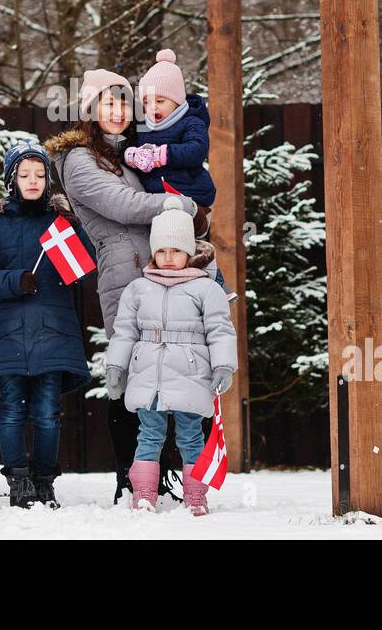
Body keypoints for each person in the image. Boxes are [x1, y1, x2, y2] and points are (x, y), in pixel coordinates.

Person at [45, 70, 205, 503]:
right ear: (91, 111)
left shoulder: (129, 151)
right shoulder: (78, 158)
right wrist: (179, 205)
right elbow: (121, 204)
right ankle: (128, 478)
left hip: (159, 263)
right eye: (107, 104)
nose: (117, 112)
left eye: (122, 103)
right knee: (134, 373)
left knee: (173, 368)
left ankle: (162, 474)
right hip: (124, 265)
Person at [0, 140, 92, 508]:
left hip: (54, 331)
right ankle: (17, 478)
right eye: (24, 174)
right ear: (11, 180)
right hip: (7, 334)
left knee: (48, 413)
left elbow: (84, 267)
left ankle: (44, 479)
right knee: (12, 411)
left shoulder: (61, 223)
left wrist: (72, 228)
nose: (32, 180)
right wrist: (13, 280)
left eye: (39, 174)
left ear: (48, 180)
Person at [105, 198, 238, 516]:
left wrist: (223, 365)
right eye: (161, 251)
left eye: (176, 251)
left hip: (191, 376)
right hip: (149, 375)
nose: (168, 258)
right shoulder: (138, 289)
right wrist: (115, 366)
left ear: (189, 253)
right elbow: (125, 332)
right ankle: (145, 493)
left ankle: (196, 496)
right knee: (148, 434)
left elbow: (220, 330)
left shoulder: (205, 289)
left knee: (191, 436)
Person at [124, 49, 216, 208]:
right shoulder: (143, 125)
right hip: (154, 197)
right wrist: (130, 155)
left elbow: (197, 149)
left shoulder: (191, 122)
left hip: (189, 193)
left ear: (177, 101)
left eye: (160, 101)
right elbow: (125, 143)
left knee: (173, 223)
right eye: (147, 102)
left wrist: (162, 154)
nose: (153, 108)